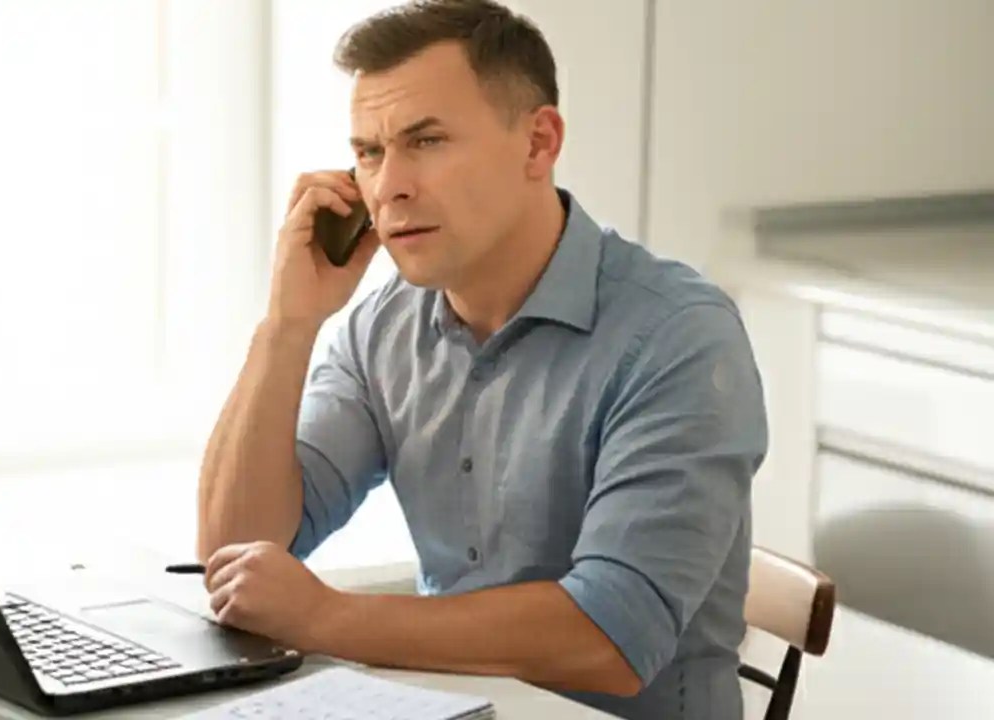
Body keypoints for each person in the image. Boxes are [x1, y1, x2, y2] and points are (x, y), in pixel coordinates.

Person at [195, 1, 767, 718]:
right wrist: (287, 324)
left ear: (538, 143)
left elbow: (611, 637)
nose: (389, 186)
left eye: (426, 141)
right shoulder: (382, 328)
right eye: (369, 153)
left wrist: (324, 618)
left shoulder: (680, 337)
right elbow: (237, 554)